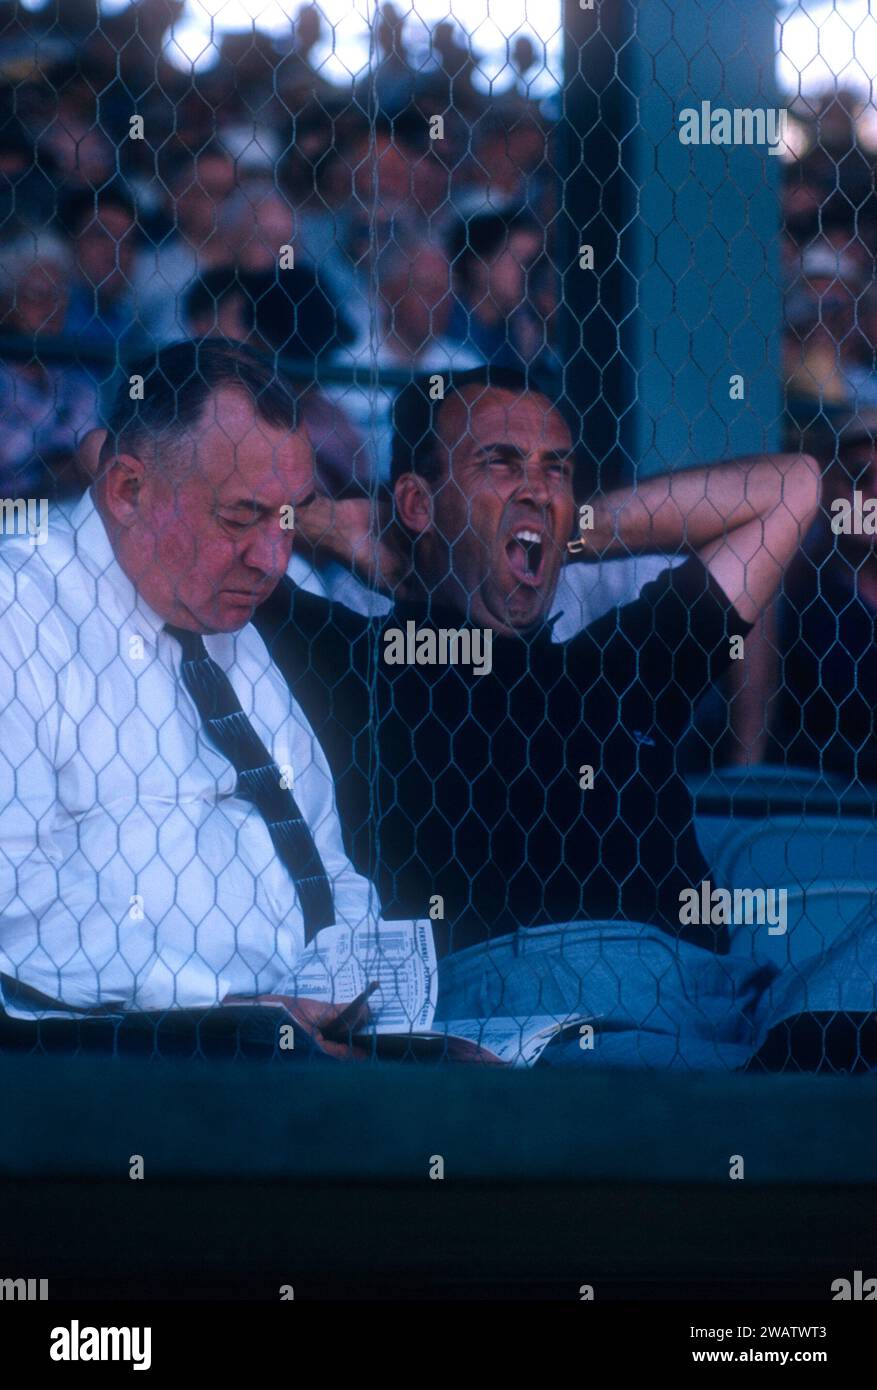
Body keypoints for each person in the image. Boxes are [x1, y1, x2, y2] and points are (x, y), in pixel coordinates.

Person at [255, 368, 877, 1071]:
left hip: (717, 1010)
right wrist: (349, 528)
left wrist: (560, 525)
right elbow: (134, 478)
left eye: (556, 469)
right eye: (500, 462)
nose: (538, 484)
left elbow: (791, 485)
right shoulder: (353, 661)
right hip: (521, 1020)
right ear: (416, 501)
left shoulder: (619, 662)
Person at [0, 342, 419, 1059]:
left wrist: (362, 998)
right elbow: (17, 910)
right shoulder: (17, 614)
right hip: (110, 1058)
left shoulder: (237, 632)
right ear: (128, 490)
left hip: (292, 1048)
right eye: (239, 518)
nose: (271, 560)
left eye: (288, 521)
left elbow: (328, 864)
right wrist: (230, 1012)